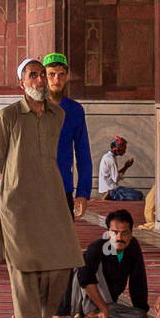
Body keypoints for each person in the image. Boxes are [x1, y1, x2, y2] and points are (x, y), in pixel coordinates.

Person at [0, 58, 82, 318]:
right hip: (17, 203)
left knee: (64, 260)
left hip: (53, 199)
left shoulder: (58, 115)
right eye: (34, 75)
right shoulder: (8, 116)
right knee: (24, 271)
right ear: (22, 83)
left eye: (43, 74)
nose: (41, 80)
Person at [64, 209, 150, 318]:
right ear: (108, 233)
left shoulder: (133, 247)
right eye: (115, 232)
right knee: (83, 267)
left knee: (140, 317)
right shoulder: (97, 248)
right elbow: (85, 280)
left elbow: (138, 281)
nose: (119, 237)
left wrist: (142, 312)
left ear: (131, 234)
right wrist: (103, 309)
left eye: (124, 233)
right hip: (83, 302)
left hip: (109, 304)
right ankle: (88, 315)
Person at [42, 53, 91, 219]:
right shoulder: (32, 108)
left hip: (63, 187)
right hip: (34, 187)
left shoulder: (74, 110)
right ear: (44, 76)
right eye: (51, 74)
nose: (57, 79)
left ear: (67, 77)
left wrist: (83, 192)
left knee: (63, 241)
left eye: (61, 74)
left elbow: (83, 154)